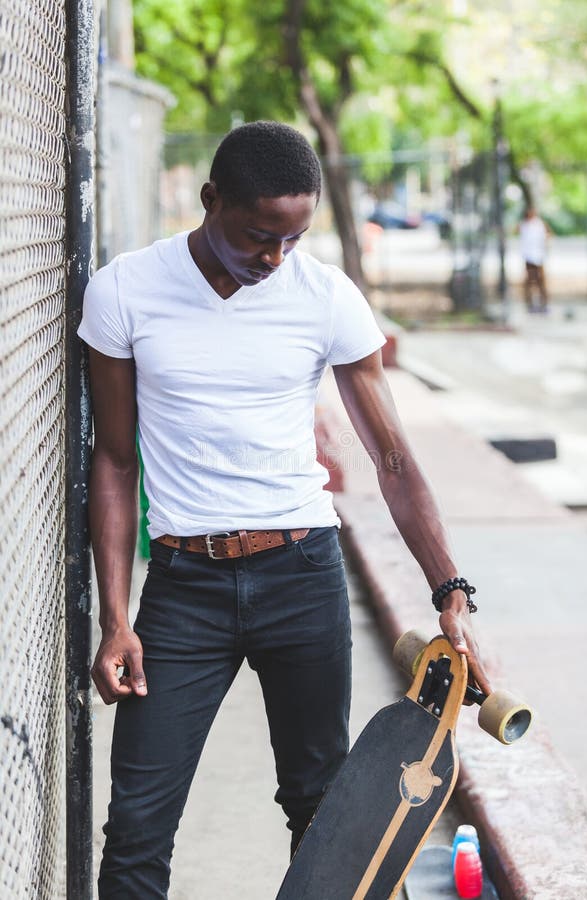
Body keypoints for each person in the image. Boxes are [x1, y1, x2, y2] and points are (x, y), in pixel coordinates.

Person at [79, 120, 491, 898]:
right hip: (184, 585)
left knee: (325, 812)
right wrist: (116, 616)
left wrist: (451, 591)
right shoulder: (126, 290)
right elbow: (113, 457)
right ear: (211, 201)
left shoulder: (324, 295)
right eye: (258, 235)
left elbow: (394, 460)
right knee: (136, 826)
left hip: (302, 573)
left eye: (293, 239)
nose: (274, 258)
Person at [519, 207, 550, 312]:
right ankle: (530, 304)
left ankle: (543, 304)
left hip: (539, 256)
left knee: (541, 280)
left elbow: (548, 235)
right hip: (529, 257)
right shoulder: (524, 225)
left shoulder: (540, 225)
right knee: (529, 281)